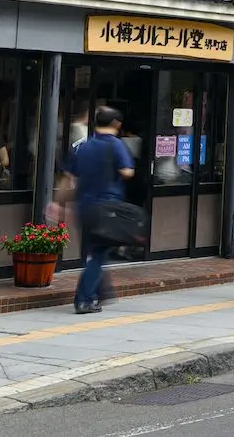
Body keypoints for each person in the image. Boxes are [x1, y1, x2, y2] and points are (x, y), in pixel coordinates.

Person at [52, 106, 134, 315]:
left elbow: (67, 178)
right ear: (117, 124)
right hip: (106, 208)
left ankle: (103, 291)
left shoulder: (83, 146)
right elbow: (127, 171)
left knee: (95, 251)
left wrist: (58, 203)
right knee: (97, 254)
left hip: (84, 207)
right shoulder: (116, 145)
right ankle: (84, 299)